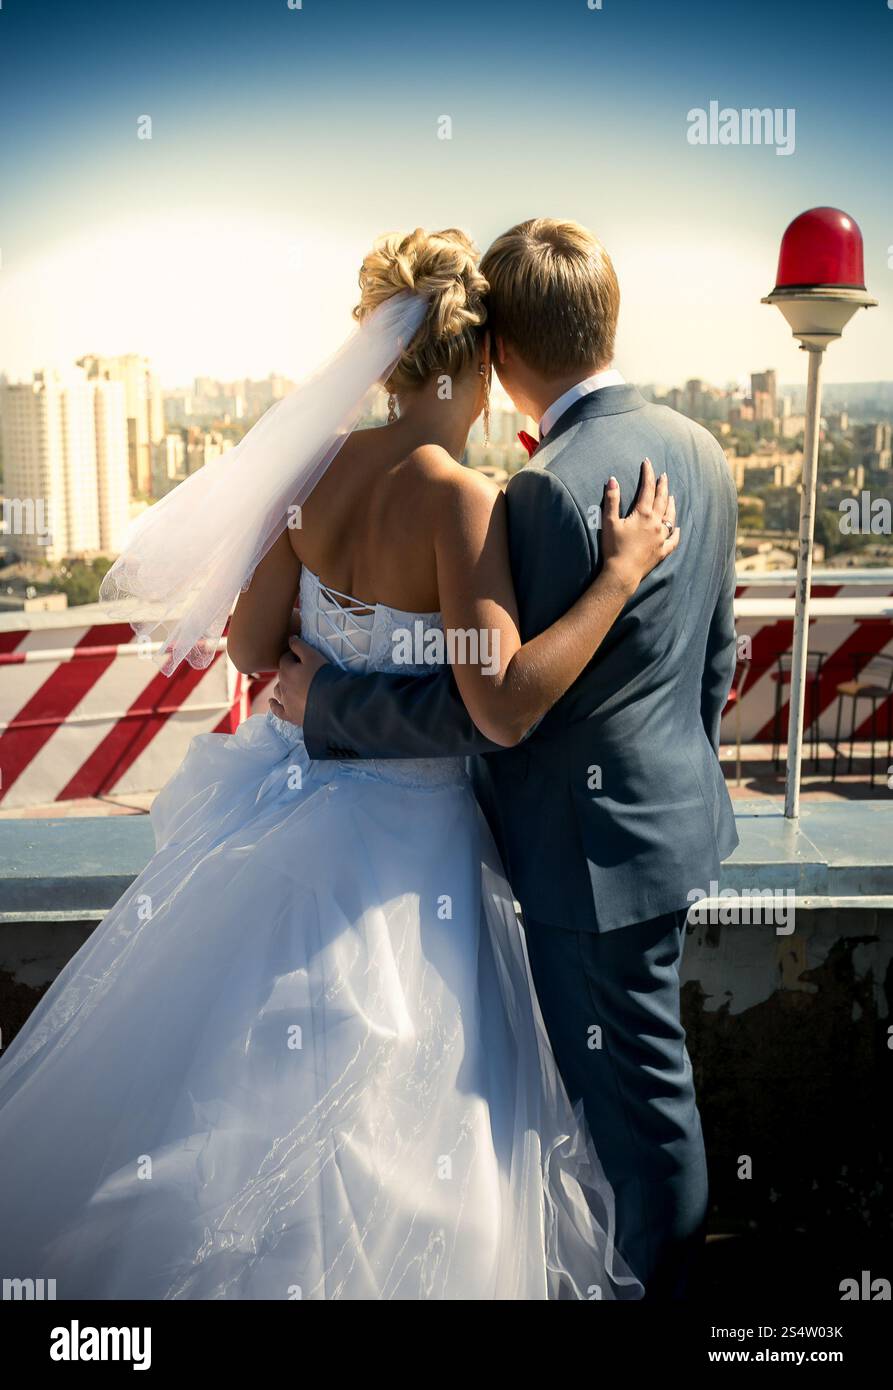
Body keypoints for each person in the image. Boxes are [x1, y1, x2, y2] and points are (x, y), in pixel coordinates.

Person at [0, 226, 677, 1300]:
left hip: (277, 810)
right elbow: (496, 702)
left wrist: (327, 679)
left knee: (210, 1089)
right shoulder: (461, 498)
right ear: (471, 360)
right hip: (409, 845)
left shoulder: (316, 470)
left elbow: (252, 651)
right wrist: (616, 576)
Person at [275, 218, 740, 1301]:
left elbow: (490, 702)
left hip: (579, 858)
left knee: (633, 1108)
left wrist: (329, 702)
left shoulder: (542, 487)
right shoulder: (700, 449)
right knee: (640, 1088)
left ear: (499, 351)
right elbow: (711, 662)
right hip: (663, 831)